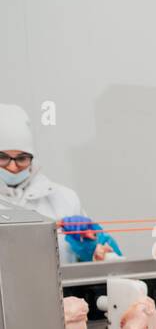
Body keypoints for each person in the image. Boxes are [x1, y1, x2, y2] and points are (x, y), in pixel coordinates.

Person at [0, 103, 120, 264]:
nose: (13, 167)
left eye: (22, 158)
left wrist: (92, 250)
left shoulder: (63, 199)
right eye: (3, 157)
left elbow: (102, 266)